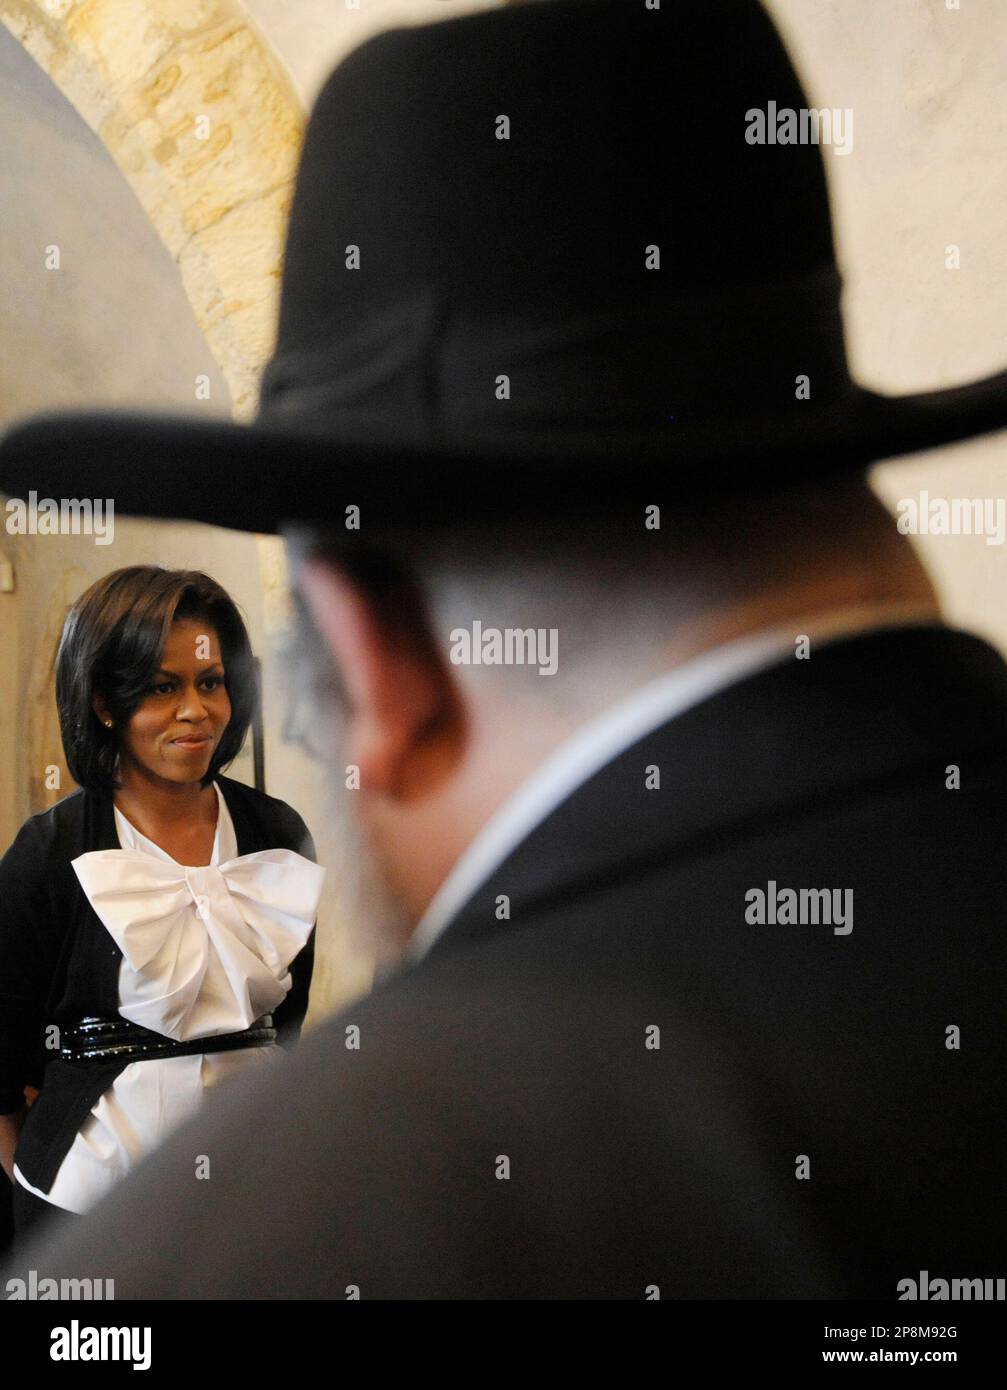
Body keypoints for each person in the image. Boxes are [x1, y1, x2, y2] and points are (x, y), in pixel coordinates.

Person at [1, 0, 1006, 1296]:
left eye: (230, 680)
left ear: (370, 661)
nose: (203, 710)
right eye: (165, 686)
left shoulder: (302, 1235)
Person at [0, 567, 324, 1247]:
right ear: (104, 704)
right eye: (161, 687)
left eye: (210, 684)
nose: (195, 711)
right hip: (90, 1202)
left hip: (259, 1182)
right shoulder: (49, 853)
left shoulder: (278, 833)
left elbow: (287, 1020)